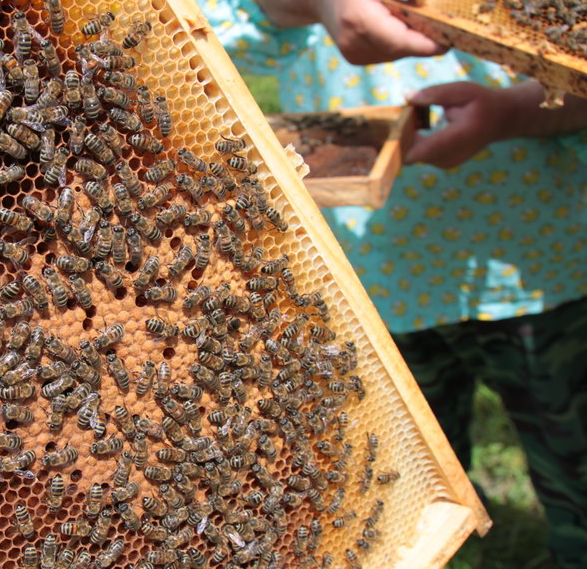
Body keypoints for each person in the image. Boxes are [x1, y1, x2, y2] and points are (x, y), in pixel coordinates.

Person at [196, 0, 587, 566]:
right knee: (394, 488)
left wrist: (515, 112)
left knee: (575, 465)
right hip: (377, 288)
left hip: (538, 273)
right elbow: (222, 20)